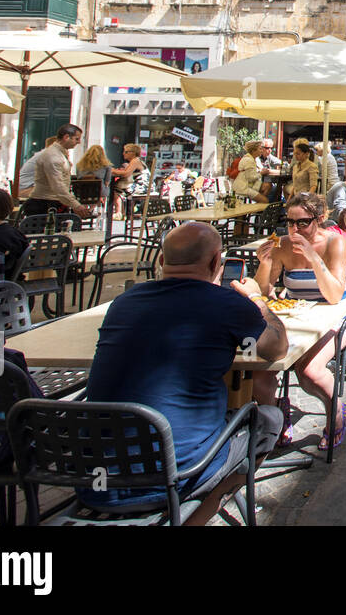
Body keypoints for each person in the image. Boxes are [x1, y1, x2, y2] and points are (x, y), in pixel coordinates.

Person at [84, 222, 289, 523]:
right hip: (177, 474)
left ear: (163, 262)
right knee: (270, 420)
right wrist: (257, 298)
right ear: (216, 262)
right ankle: (196, 514)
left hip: (89, 476)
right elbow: (277, 348)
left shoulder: (123, 302)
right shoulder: (228, 304)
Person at [253, 193, 346, 451]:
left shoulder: (335, 243)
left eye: (302, 223)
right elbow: (262, 291)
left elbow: (333, 296)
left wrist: (314, 258)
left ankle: (336, 411)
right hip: (295, 319)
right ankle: (277, 412)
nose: (294, 229)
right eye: (290, 222)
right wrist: (265, 264)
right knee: (257, 374)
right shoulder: (283, 245)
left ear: (319, 219)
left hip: (337, 317)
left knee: (309, 372)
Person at [23, 125, 92, 220]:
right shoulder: (53, 156)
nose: (79, 142)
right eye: (77, 139)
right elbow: (58, 185)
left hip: (52, 202)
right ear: (66, 137)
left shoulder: (59, 154)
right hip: (44, 205)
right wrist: (76, 205)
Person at [111, 143, 149, 220]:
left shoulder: (135, 160)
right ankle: (122, 213)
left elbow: (126, 173)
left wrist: (111, 170)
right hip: (142, 185)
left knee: (117, 189)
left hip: (143, 186)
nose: (123, 153)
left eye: (126, 152)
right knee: (118, 185)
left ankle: (119, 213)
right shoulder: (136, 161)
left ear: (133, 153)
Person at [76, 144, 114, 213]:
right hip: (99, 191)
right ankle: (91, 209)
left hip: (82, 191)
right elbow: (107, 182)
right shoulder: (107, 166)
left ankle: (85, 209)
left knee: (89, 191)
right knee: (102, 189)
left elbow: (78, 177)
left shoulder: (79, 165)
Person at [257, 139, 284, 203]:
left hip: (266, 180)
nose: (270, 150)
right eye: (267, 148)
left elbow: (282, 163)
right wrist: (276, 171)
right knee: (268, 185)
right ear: (261, 148)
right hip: (256, 181)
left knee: (278, 188)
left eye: (271, 148)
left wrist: (284, 165)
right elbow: (263, 171)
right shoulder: (257, 157)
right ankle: (259, 205)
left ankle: (274, 208)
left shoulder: (269, 156)